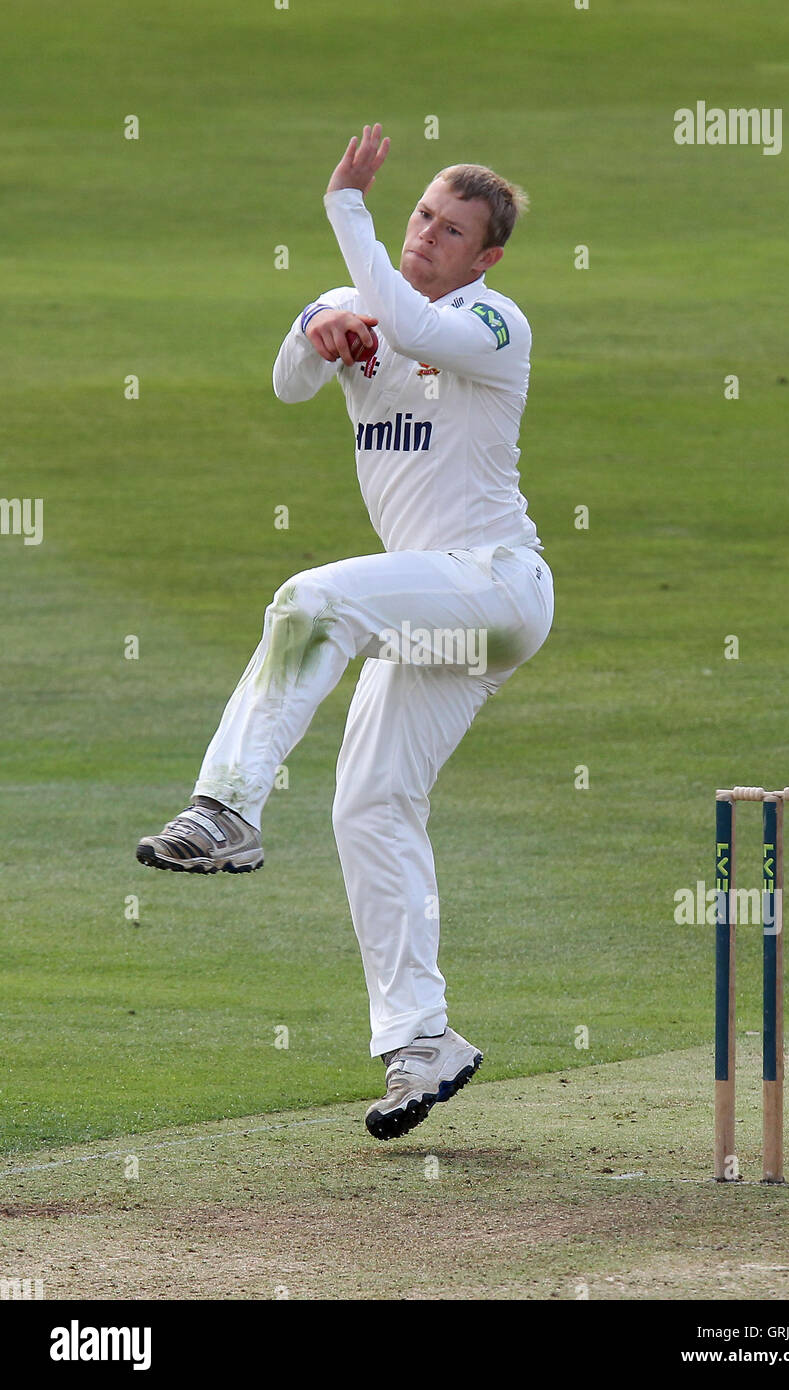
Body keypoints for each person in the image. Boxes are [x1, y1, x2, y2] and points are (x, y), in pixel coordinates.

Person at [136, 124, 554, 1140]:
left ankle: (224, 809)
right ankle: (423, 1043)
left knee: (311, 599)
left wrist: (344, 208)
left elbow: (409, 327)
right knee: (368, 804)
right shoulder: (359, 303)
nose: (422, 236)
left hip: (495, 591)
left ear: (484, 257)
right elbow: (289, 379)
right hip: (436, 626)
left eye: (449, 230)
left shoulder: (494, 327)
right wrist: (318, 331)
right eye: (416, 215)